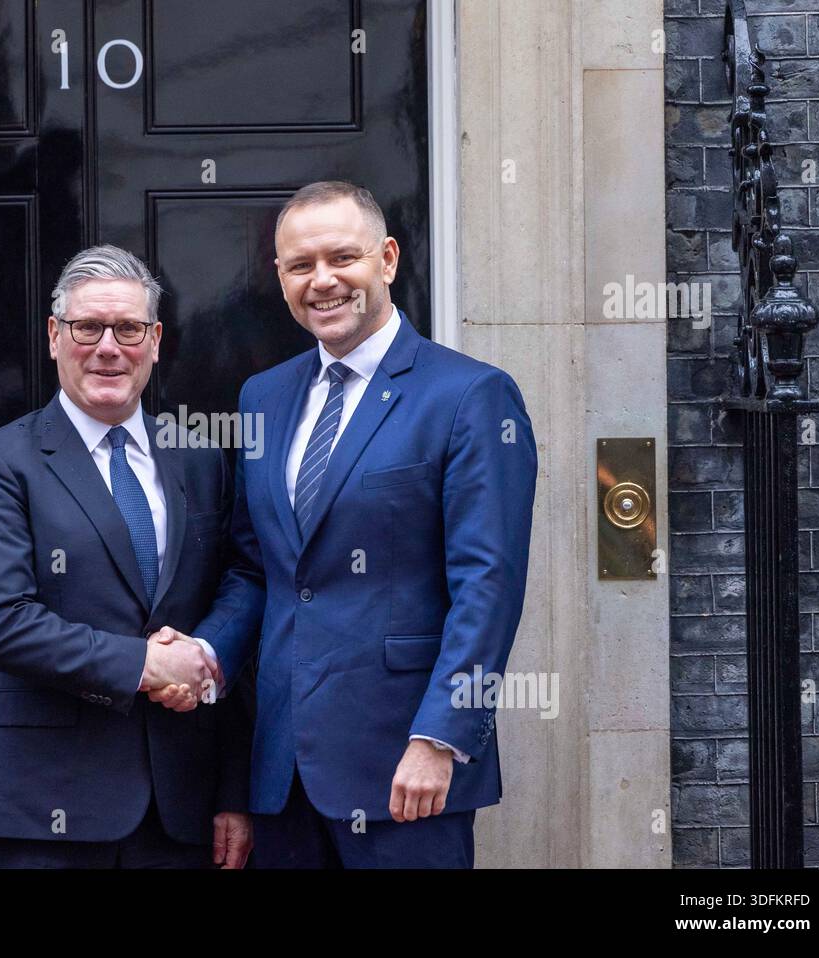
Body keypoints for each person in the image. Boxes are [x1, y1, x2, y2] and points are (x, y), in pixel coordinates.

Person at [150, 181, 538, 868]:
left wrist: (441, 738)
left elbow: (489, 586)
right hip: (284, 776)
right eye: (301, 265)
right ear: (280, 277)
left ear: (386, 259)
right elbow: (255, 568)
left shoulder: (471, 395)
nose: (322, 280)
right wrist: (206, 655)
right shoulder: (263, 396)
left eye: (342, 257)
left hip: (404, 771)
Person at [0, 245, 252, 868]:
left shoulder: (200, 460)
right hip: (40, 814)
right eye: (88, 327)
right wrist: (145, 664)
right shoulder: (1, 461)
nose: (109, 347)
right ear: (56, 336)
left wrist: (232, 788)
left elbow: (239, 589)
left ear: (157, 339)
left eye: (129, 328)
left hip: (179, 816)